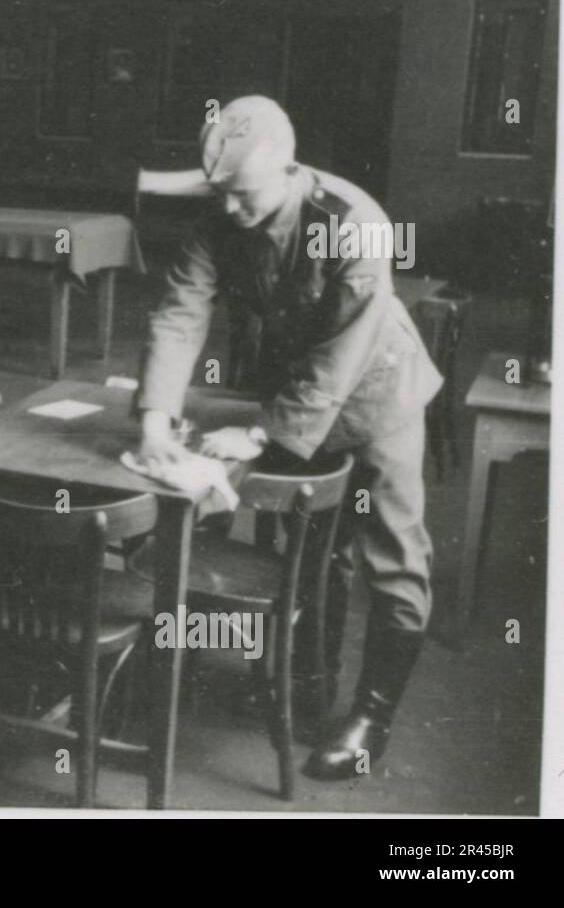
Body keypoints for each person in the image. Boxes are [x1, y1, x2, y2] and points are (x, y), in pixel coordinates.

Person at [136, 96, 443, 780]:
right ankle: (306, 687)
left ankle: (370, 718)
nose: (233, 212)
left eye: (245, 198)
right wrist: (156, 416)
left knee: (392, 551)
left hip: (376, 388)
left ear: (289, 168)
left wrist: (259, 429)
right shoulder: (220, 213)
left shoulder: (351, 220)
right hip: (294, 388)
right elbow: (181, 309)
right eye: (223, 197)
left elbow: (344, 349)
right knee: (314, 542)